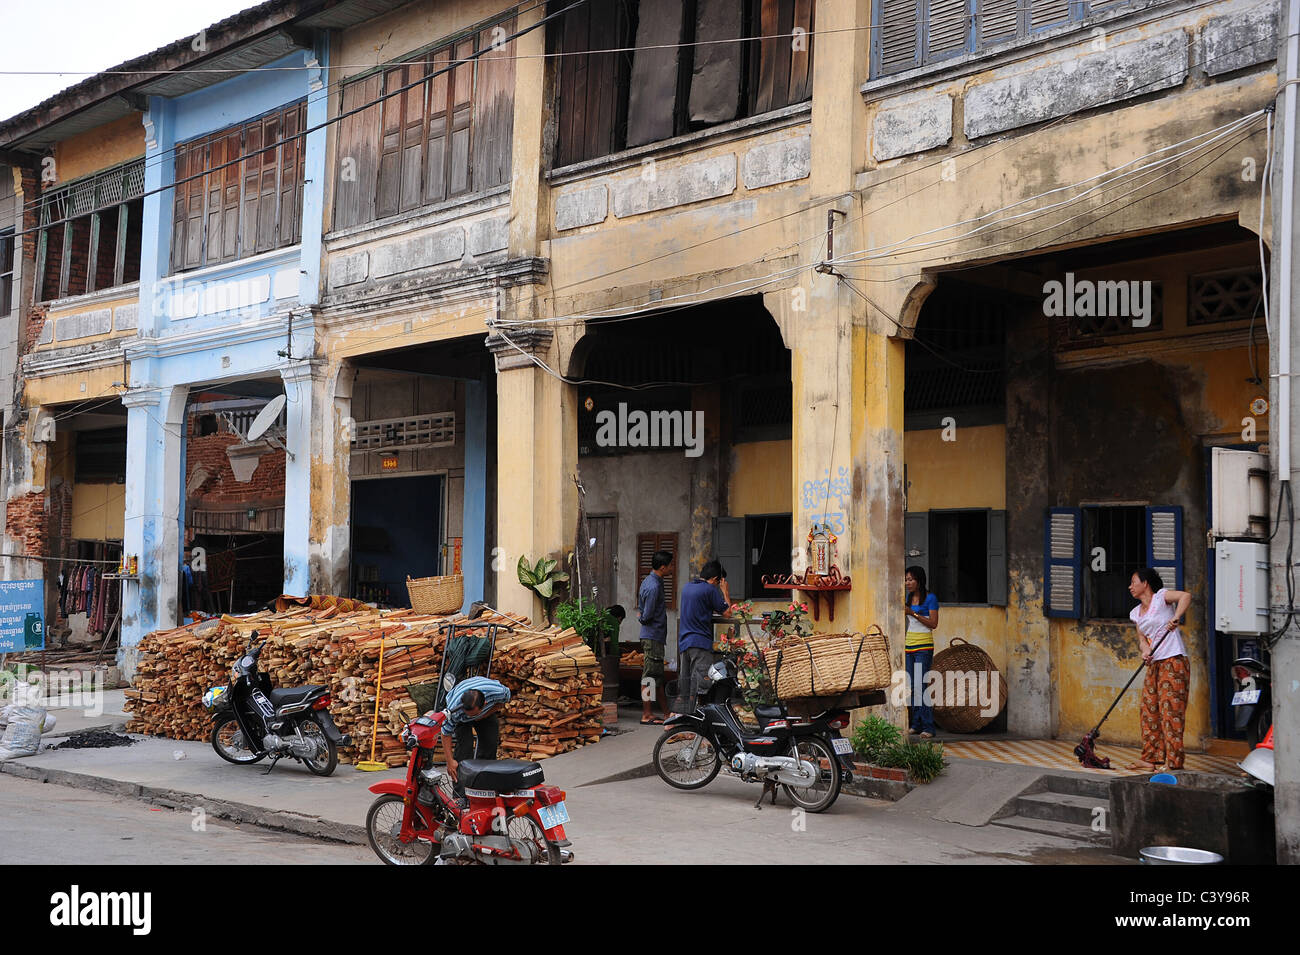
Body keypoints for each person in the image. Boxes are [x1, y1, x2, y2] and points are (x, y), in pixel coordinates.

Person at [1126, 568, 1192, 771]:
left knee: (1170, 711)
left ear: (1145, 583)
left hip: (1173, 660)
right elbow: (1142, 639)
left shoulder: (1161, 597)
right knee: (1149, 710)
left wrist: (1177, 617)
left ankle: (1174, 762)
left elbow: (1185, 596)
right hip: (1154, 664)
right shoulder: (1136, 613)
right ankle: (1150, 758)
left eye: (1133, 582)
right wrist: (1145, 651)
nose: (1130, 586)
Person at [672, 559, 731, 719]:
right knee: (700, 687)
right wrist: (725, 591)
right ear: (716, 580)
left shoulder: (688, 587)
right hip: (700, 643)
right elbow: (727, 613)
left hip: (684, 642)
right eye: (719, 582)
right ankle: (697, 726)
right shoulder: (709, 590)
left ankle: (676, 721)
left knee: (686, 684)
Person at [438, 675, 511, 792]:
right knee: (464, 750)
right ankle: (460, 795)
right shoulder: (454, 709)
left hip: (485, 713)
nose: (469, 717)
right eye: (468, 713)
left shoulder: (499, 691)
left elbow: (503, 702)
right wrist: (450, 761)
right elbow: (445, 733)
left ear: (485, 703)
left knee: (489, 744)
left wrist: (484, 714)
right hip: (461, 719)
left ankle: (484, 788)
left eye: (472, 714)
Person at [637, 550, 674, 724]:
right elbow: (648, 613)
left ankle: (663, 712)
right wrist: (643, 618)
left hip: (654, 635)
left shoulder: (649, 581)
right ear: (663, 567)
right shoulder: (654, 586)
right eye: (670, 566)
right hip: (652, 635)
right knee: (650, 676)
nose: (672, 569)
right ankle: (647, 713)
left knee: (656, 676)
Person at [904, 565, 939, 739]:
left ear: (919, 580)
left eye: (911, 579)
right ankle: (916, 724)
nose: (907, 583)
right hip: (909, 645)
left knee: (921, 685)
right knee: (912, 686)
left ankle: (928, 726)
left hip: (924, 647)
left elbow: (933, 623)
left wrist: (913, 613)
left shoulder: (930, 598)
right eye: (906, 579)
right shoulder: (908, 598)